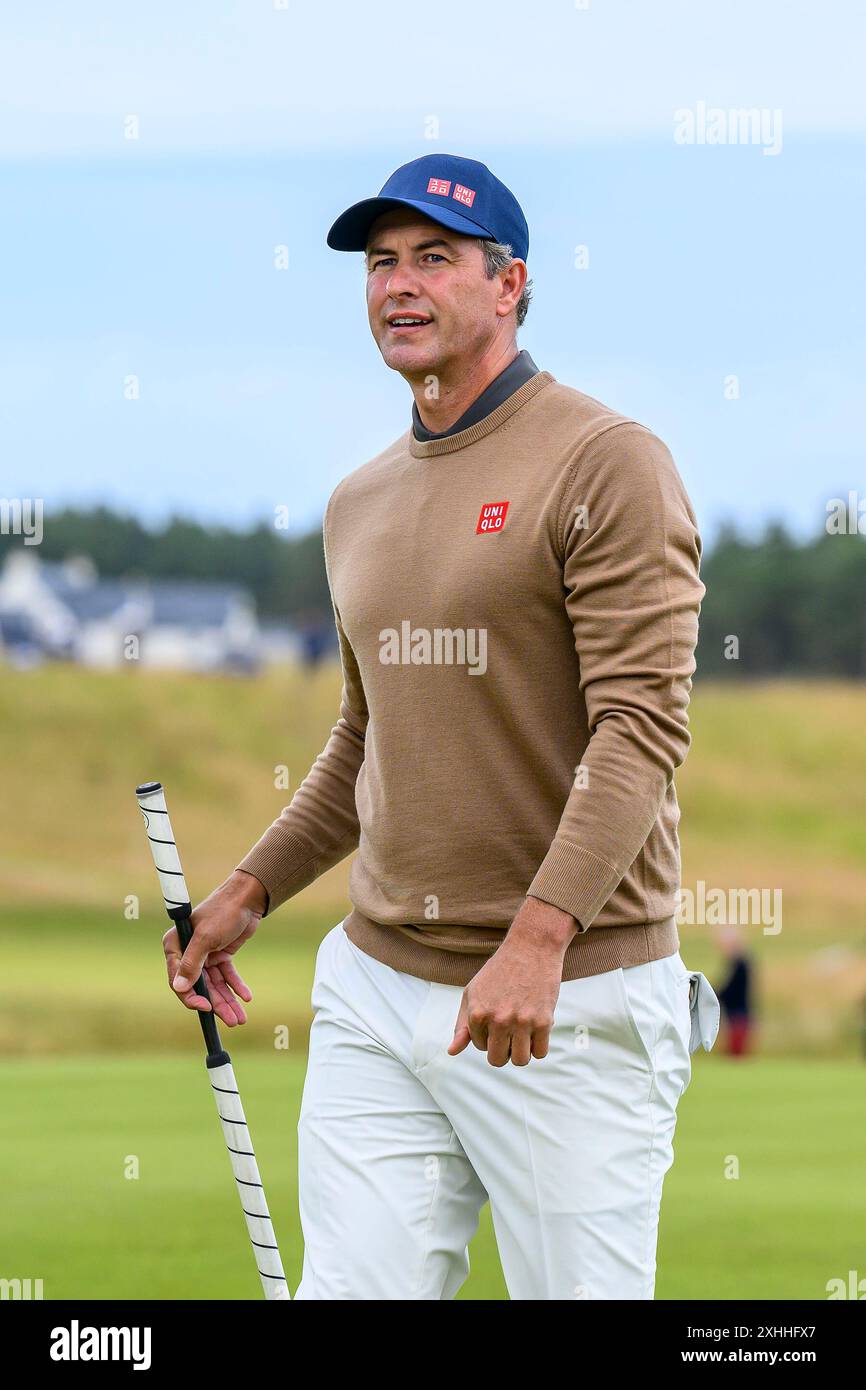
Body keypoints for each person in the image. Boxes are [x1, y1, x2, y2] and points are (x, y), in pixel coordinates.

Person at [163, 153, 719, 1300]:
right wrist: (249, 890)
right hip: (376, 985)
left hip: (565, 1001)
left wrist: (537, 940)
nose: (397, 285)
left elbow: (639, 728)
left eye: (433, 258)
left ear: (507, 284)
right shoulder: (357, 501)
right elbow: (363, 739)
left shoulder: (607, 460)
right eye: (379, 263)